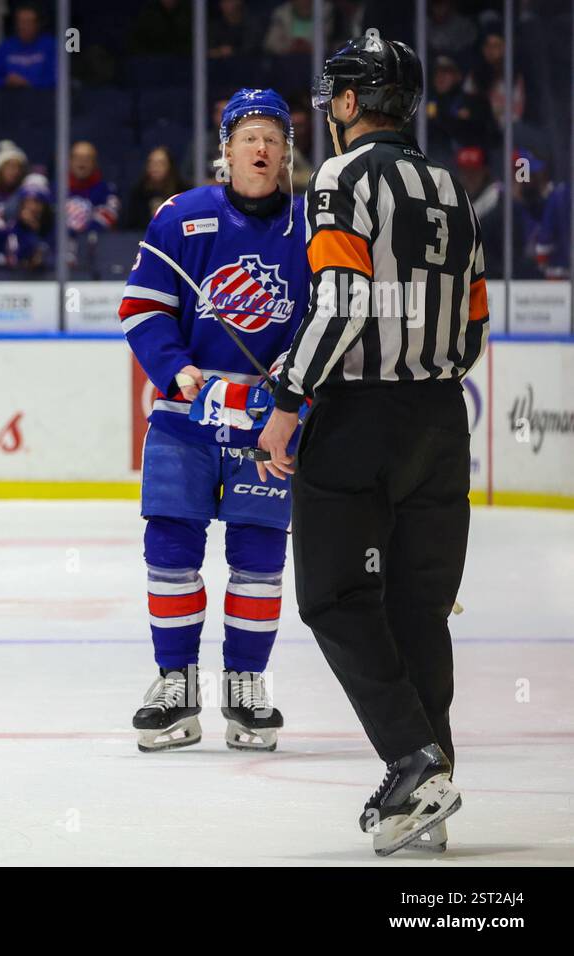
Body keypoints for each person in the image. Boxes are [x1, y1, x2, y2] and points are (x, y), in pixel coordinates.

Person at [256, 30, 488, 856]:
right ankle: (430, 780)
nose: (328, 112)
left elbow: (346, 301)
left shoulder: (341, 176)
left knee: (331, 596)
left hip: (359, 421)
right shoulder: (450, 184)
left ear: (352, 103)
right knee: (416, 607)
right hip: (439, 420)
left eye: (334, 97)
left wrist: (288, 398)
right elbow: (473, 327)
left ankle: (412, 759)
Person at [117, 88, 308, 755]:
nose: (261, 149)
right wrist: (176, 369)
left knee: (258, 556)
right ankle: (176, 683)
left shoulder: (312, 229)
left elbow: (327, 323)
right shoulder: (182, 216)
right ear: (224, 150)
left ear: (287, 152)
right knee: (170, 548)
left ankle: (246, 686)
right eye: (249, 137)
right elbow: (142, 308)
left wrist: (290, 384)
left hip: (269, 423)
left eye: (274, 139)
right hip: (183, 415)